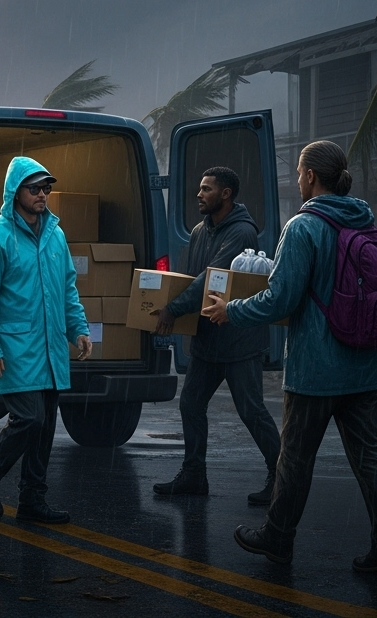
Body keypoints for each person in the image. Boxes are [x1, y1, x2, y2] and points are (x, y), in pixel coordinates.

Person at [203, 140, 377, 573]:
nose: (297, 179)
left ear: (311, 176)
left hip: (316, 369)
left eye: (298, 172)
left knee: (295, 458)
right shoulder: (364, 220)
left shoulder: (303, 227)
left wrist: (230, 310)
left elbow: (280, 299)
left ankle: (278, 538)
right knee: (371, 459)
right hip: (365, 366)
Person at [0, 158, 91, 524]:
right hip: (15, 349)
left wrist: (78, 329)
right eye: (34, 188)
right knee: (30, 419)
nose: (42, 194)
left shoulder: (55, 235)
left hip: (51, 349)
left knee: (45, 426)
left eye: (46, 188)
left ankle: (33, 500)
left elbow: (67, 289)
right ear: (14, 192)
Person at [153, 167, 280, 505]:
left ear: (226, 194)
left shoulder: (241, 232)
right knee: (191, 404)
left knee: (251, 411)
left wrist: (173, 309)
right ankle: (194, 475)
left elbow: (210, 279)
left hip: (239, 340)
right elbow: (190, 278)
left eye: (207, 189)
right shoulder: (199, 231)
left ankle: (282, 479)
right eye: (200, 188)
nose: (199, 194)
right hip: (208, 338)